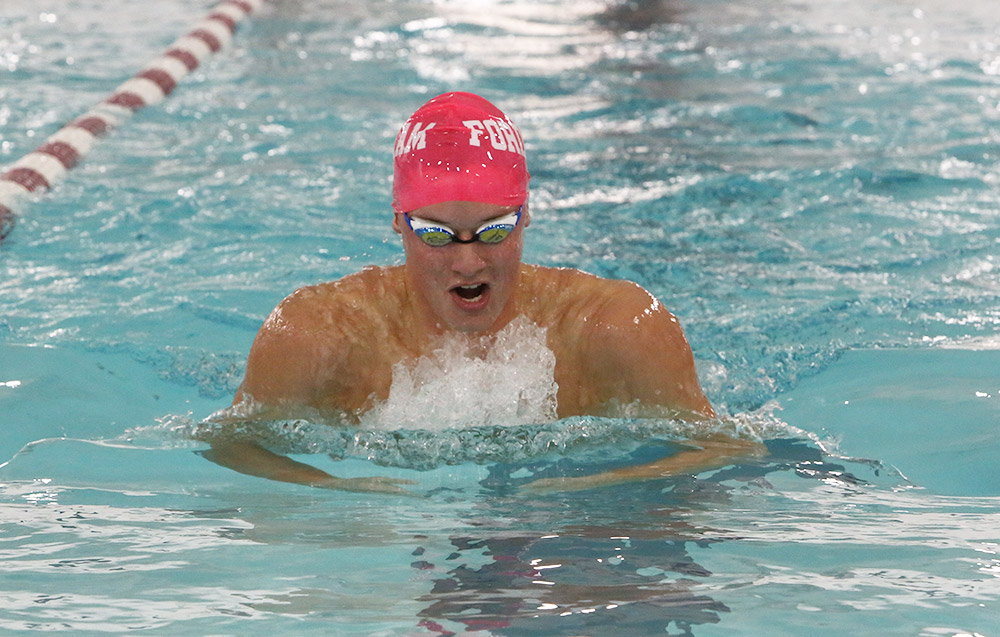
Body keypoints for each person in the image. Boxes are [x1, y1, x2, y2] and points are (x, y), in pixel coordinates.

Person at [203, 92, 762, 493]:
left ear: (526, 217)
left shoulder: (616, 328)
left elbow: (724, 451)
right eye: (437, 235)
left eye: (494, 230)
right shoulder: (316, 334)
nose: (469, 262)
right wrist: (345, 490)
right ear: (398, 221)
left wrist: (580, 489)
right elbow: (229, 446)